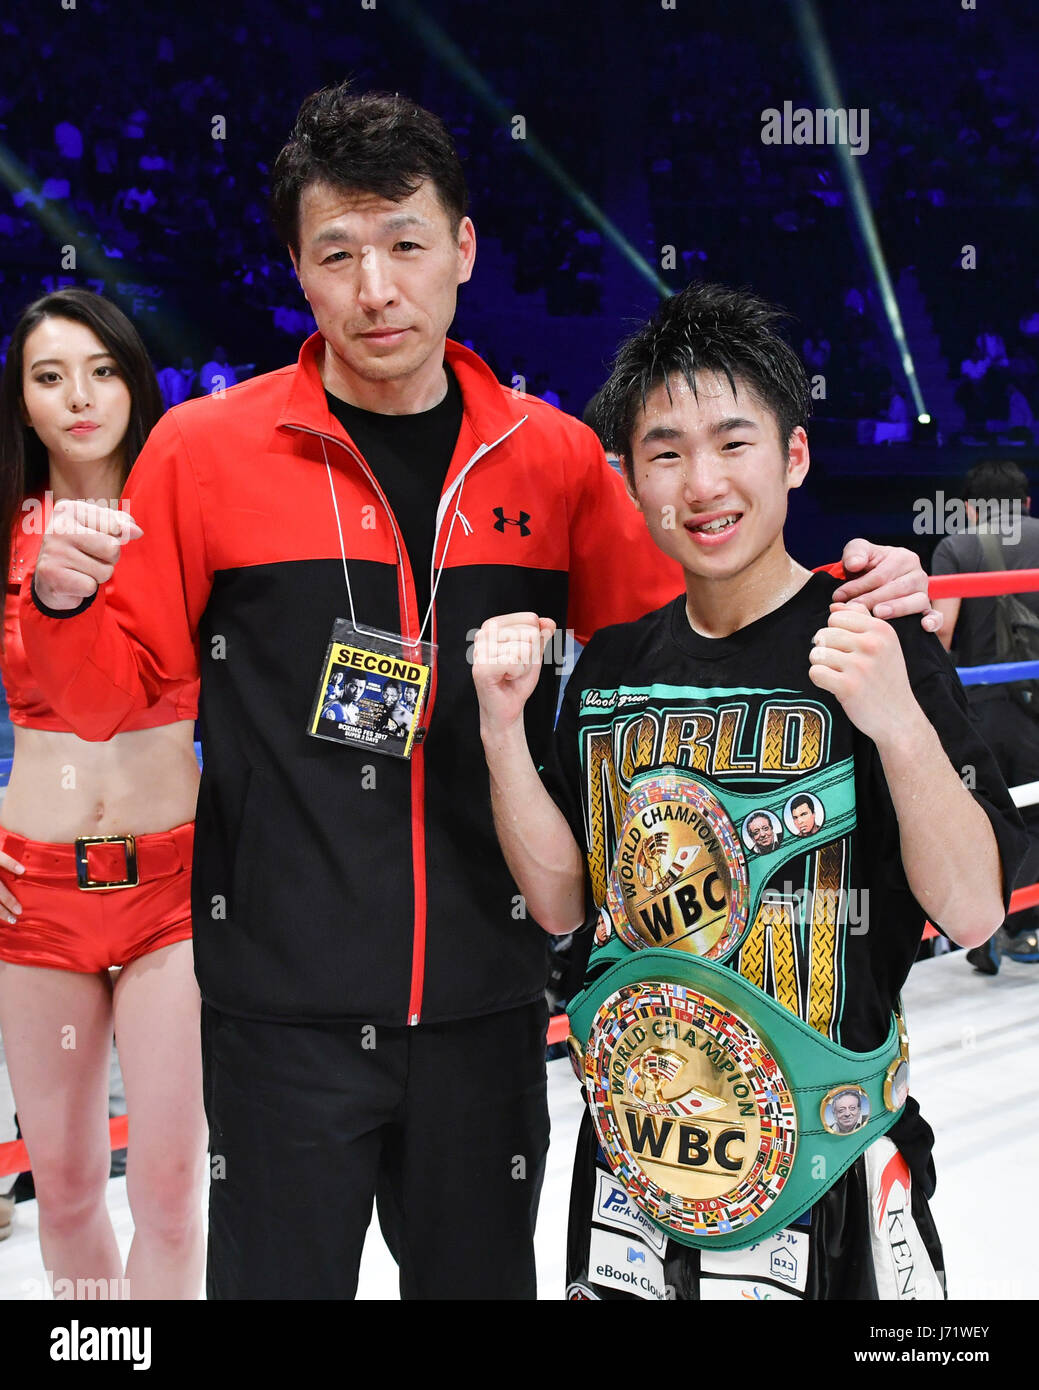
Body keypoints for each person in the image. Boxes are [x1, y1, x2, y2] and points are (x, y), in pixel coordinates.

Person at [21, 89, 938, 1302]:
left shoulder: (552, 455)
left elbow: (699, 616)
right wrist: (66, 605)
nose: (376, 288)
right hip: (277, 1019)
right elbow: (105, 699)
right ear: (297, 269)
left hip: (489, 1009)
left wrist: (857, 581)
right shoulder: (205, 449)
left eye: (404, 243)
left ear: (462, 248)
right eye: (337, 254)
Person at [473, 282, 1025, 1301]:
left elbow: (975, 907)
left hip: (830, 1165)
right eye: (665, 451)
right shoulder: (609, 669)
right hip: (635, 1170)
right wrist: (502, 729)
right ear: (633, 480)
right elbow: (559, 906)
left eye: (733, 442)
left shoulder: (873, 637)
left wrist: (896, 717)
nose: (701, 481)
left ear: (793, 457)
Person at [0, 288, 207, 1299]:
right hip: (31, 899)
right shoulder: (9, 529)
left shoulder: (186, 519)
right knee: (70, 1189)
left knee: (170, 1188)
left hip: (174, 893)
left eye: (101, 369)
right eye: (49, 375)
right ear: (22, 401)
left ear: (136, 379)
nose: (79, 397)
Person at [932, 459, 1039, 973]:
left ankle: (985, 933)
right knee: (1035, 814)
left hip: (983, 707)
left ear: (971, 508)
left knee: (985, 819)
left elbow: (945, 631)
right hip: (1036, 701)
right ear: (1025, 504)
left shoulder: (958, 546)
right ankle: (1027, 928)